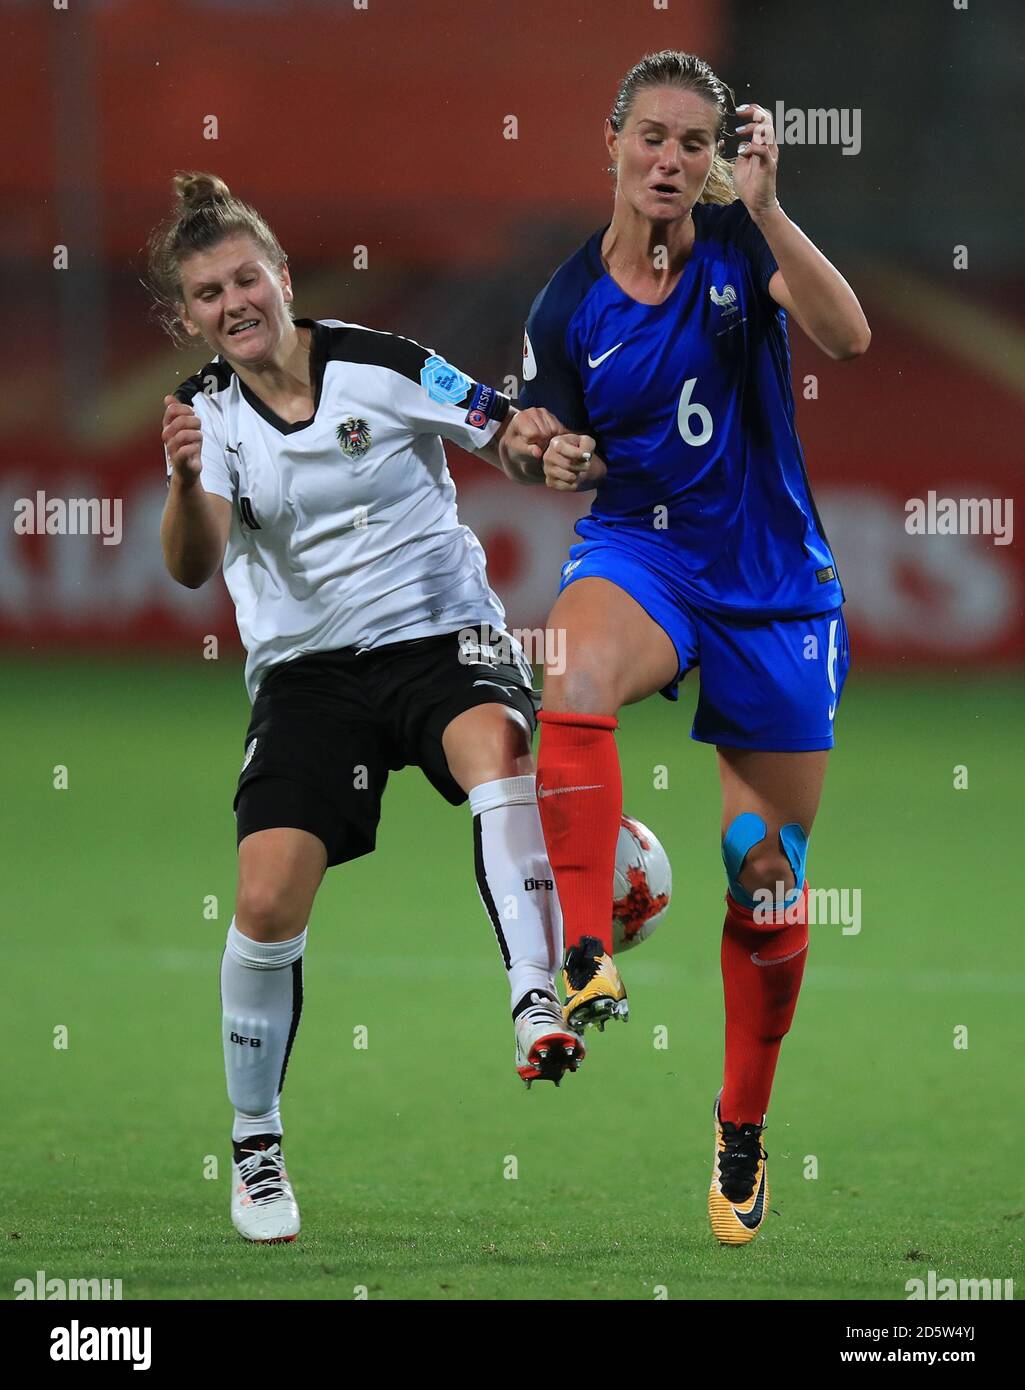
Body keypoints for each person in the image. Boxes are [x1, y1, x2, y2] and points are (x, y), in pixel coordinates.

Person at [150, 172, 585, 1244]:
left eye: (245, 276)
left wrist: (542, 446)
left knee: (499, 745)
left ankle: (538, 996)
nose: (232, 302)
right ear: (188, 315)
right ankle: (255, 1146)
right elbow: (193, 568)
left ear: (282, 278)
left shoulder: (377, 362)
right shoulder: (204, 416)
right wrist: (179, 482)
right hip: (307, 673)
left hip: (445, 632)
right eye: (206, 293)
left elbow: (493, 425)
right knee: (262, 904)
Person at [514, 50, 870, 1245]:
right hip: (644, 557)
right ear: (609, 143)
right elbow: (544, 441)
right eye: (649, 137)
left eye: (691, 143)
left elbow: (847, 335)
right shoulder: (566, 304)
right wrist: (546, 456)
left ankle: (741, 1130)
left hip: (770, 583)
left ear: (715, 157)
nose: (668, 160)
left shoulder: (735, 243)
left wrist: (767, 208)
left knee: (762, 880)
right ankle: (579, 946)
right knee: (568, 666)